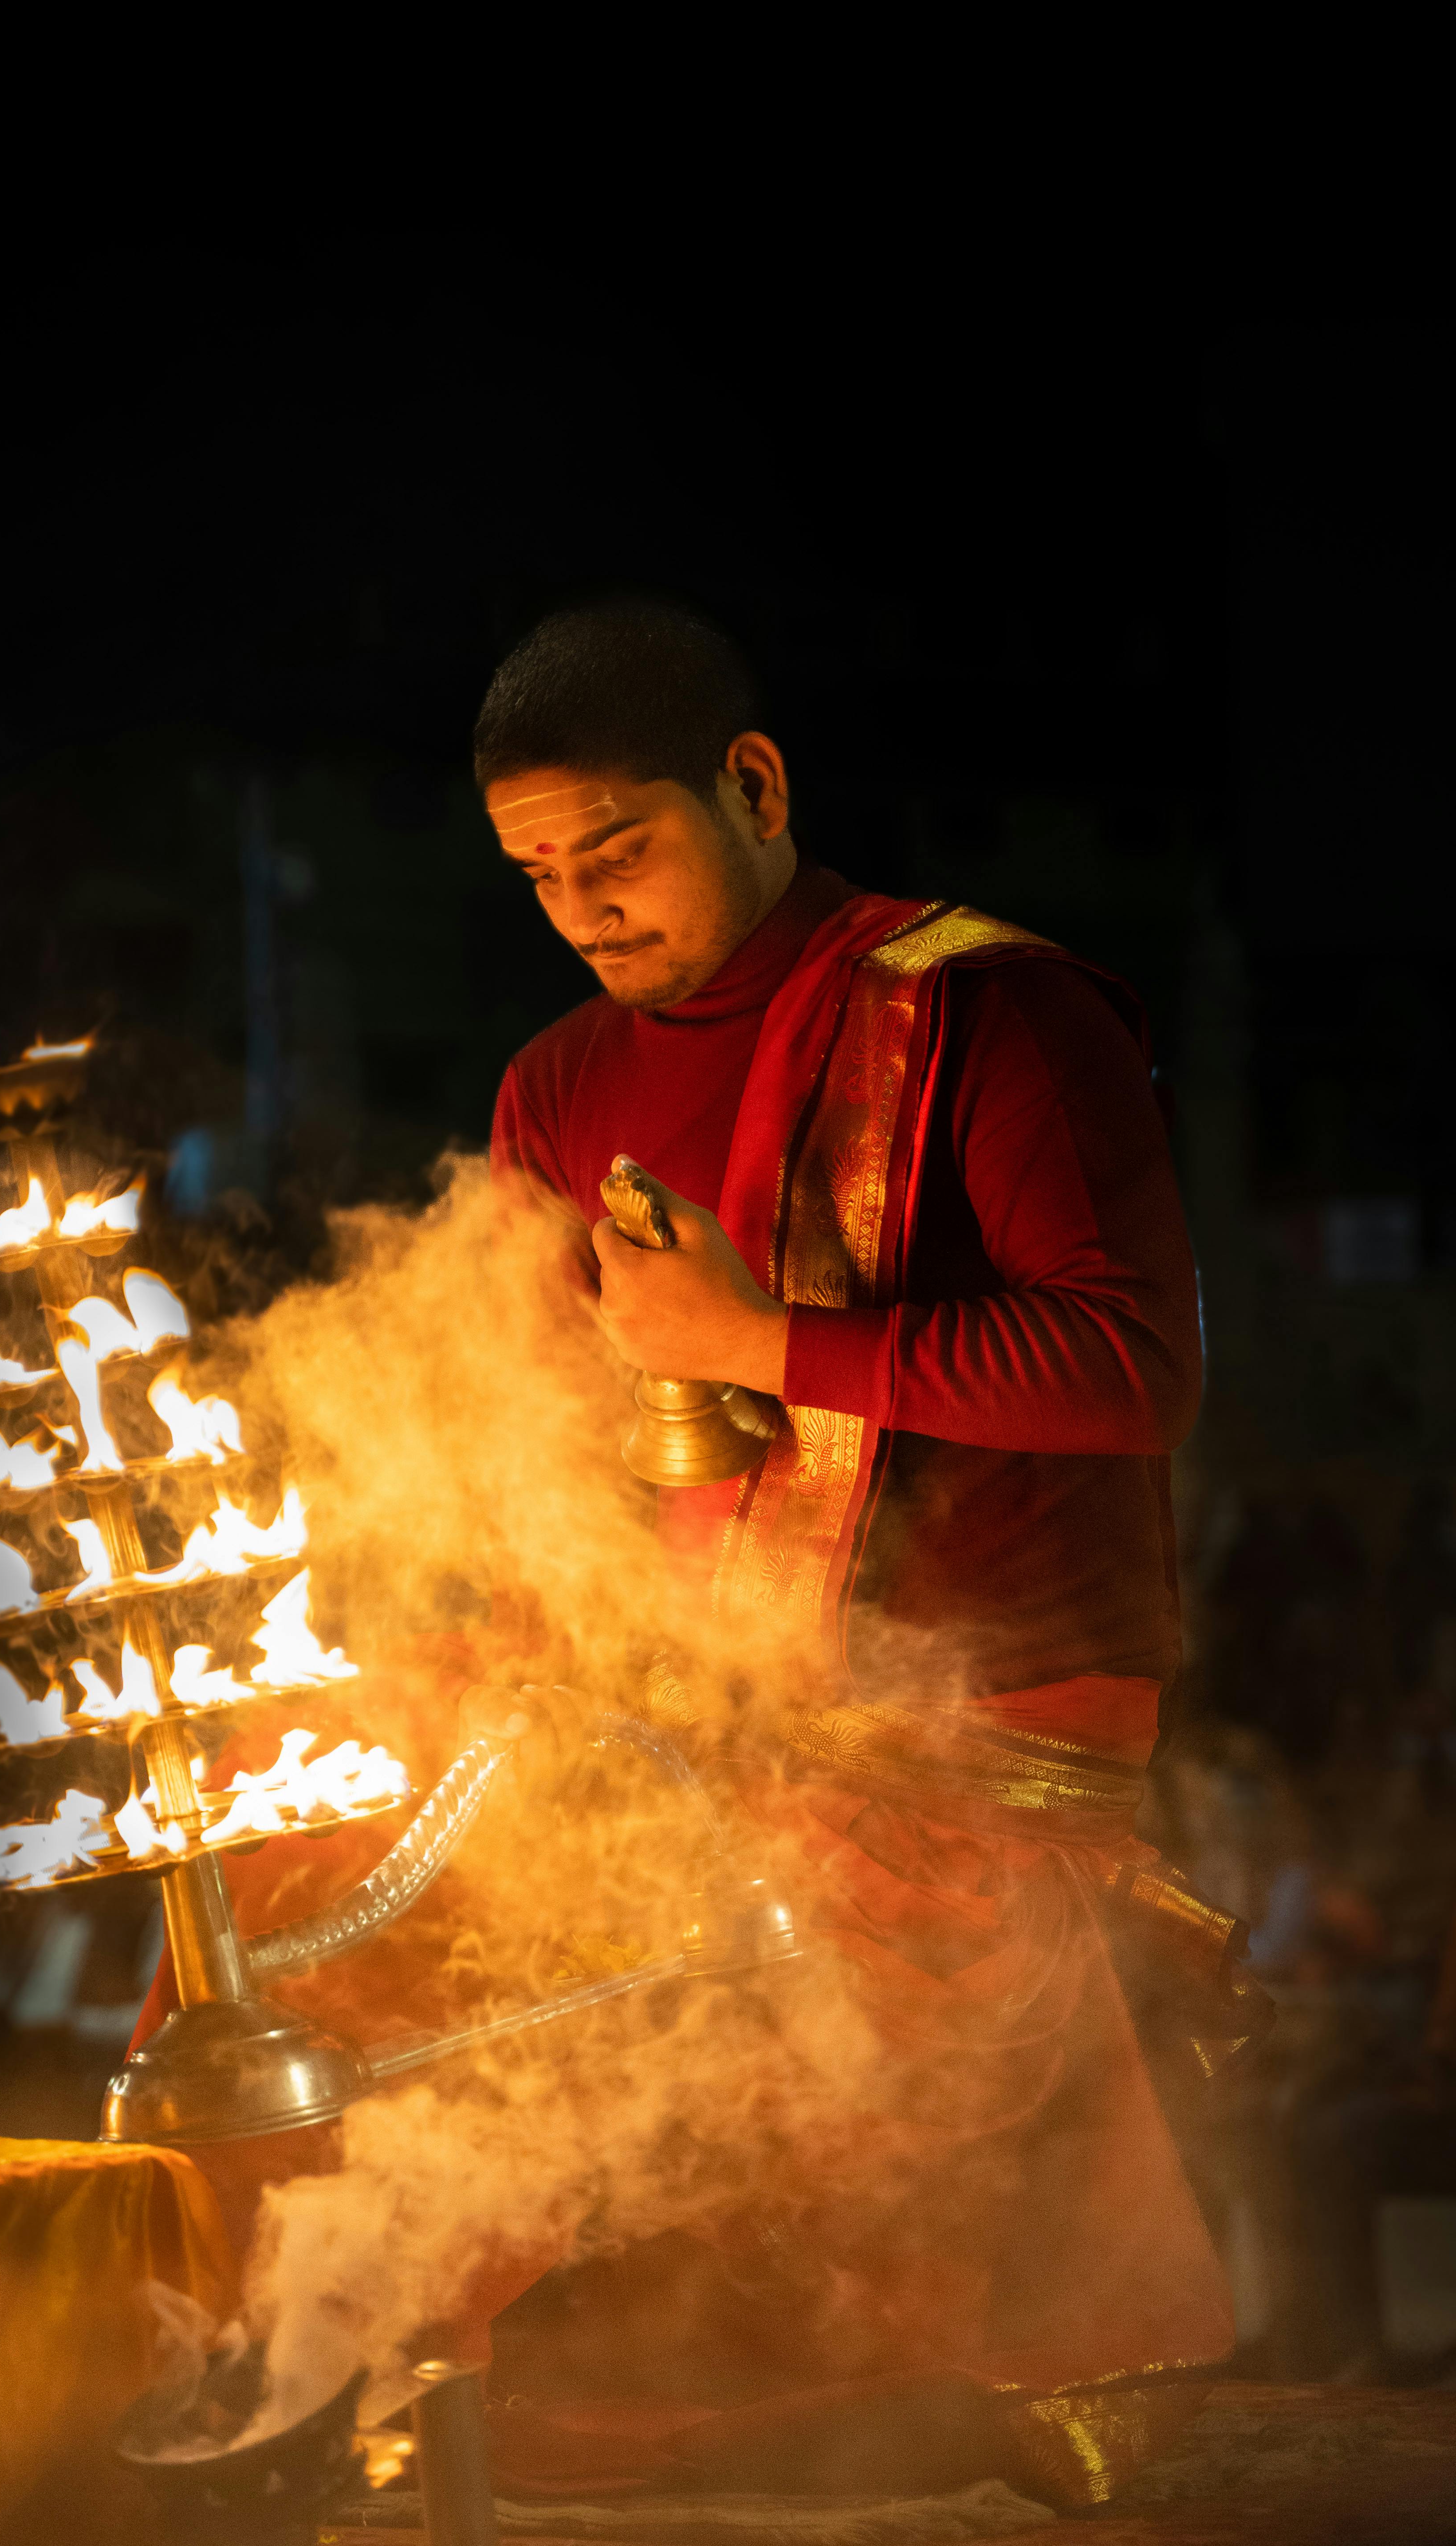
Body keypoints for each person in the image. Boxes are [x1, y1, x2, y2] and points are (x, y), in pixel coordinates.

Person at [473, 600, 1247, 2505]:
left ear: (752, 786)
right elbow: (530, 1444)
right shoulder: (556, 1084)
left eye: (616, 848)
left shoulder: (989, 1009)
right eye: (536, 875)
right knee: (339, 1877)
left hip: (975, 1720)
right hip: (695, 1714)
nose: (581, 908)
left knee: (748, 2180)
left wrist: (759, 1344)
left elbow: (1136, 1368)